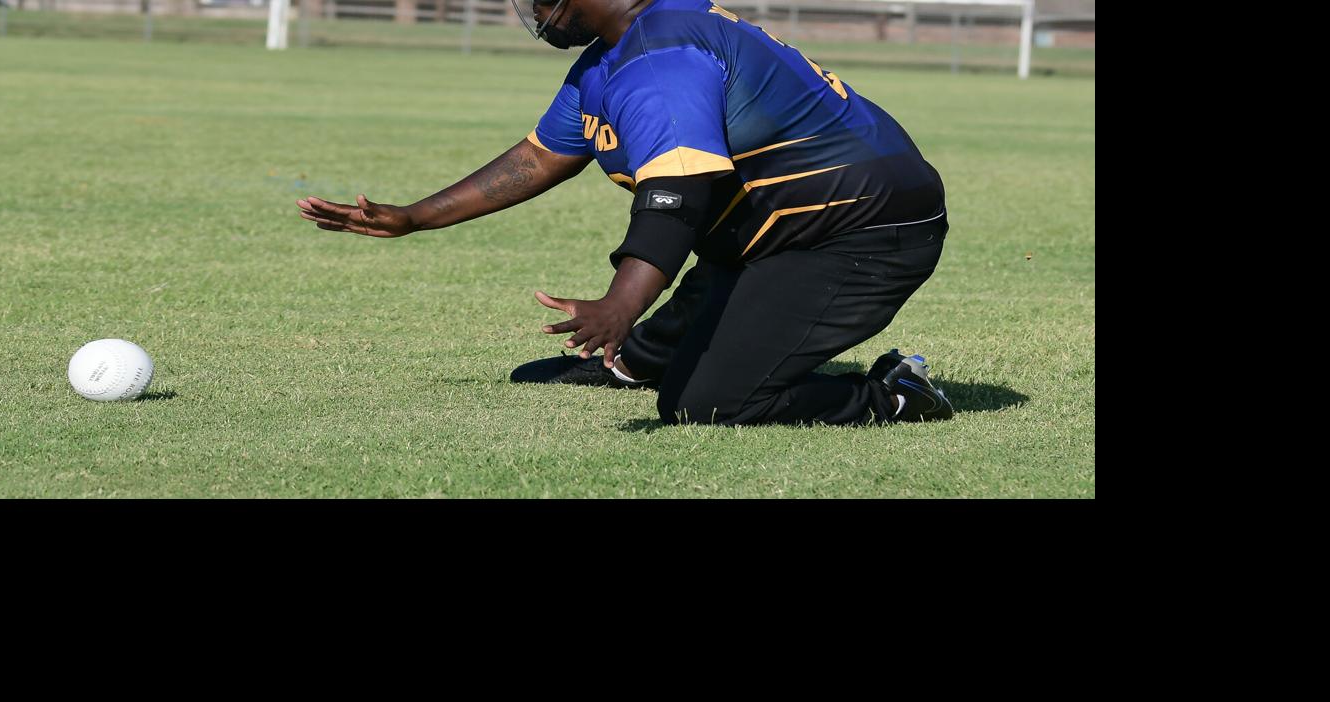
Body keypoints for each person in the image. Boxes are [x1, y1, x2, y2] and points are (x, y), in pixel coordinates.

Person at [297, 0, 953, 426]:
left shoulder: (660, 59)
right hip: (774, 235)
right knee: (650, 356)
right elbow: (541, 156)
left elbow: (677, 199)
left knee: (708, 406)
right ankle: (633, 359)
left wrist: (619, 304)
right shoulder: (611, 57)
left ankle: (893, 395)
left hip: (861, 237)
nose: (535, 9)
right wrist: (415, 216)